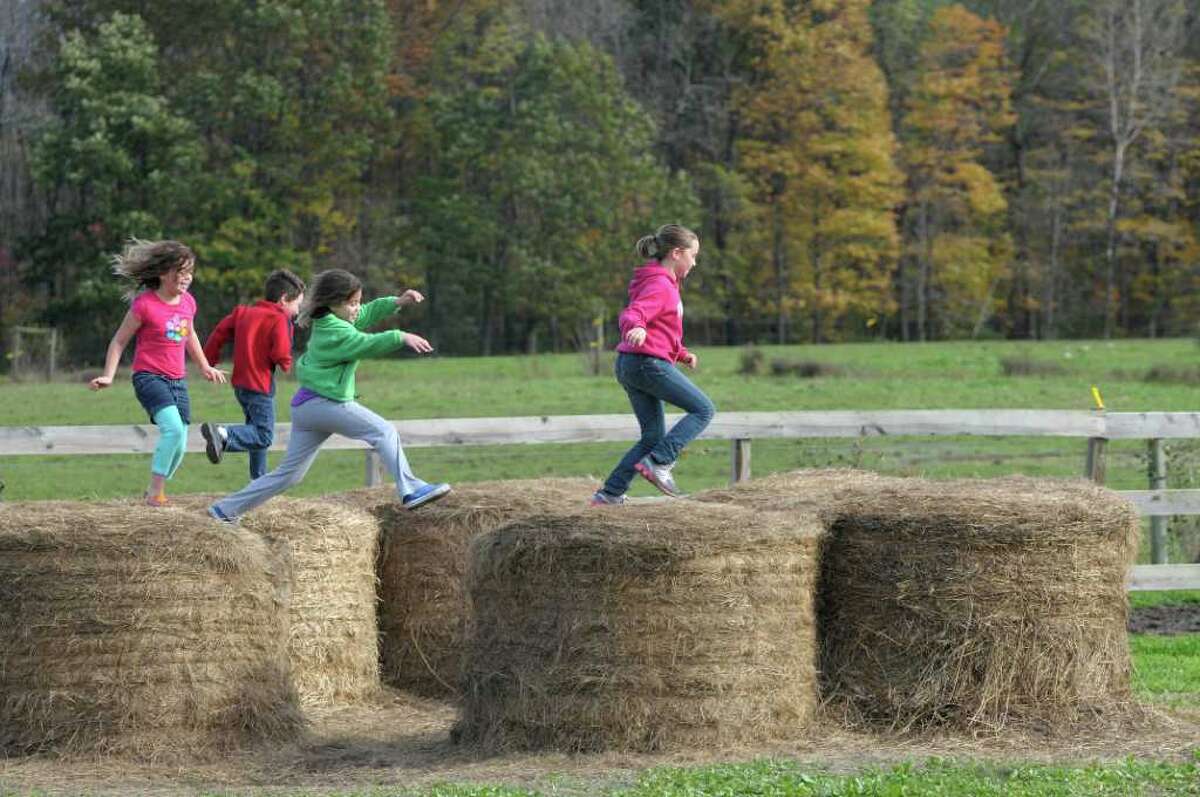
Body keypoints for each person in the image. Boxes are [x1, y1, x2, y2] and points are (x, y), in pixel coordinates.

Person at [207, 269, 450, 523]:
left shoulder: (333, 320)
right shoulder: (336, 331)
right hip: (325, 404)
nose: (357, 308)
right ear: (334, 303)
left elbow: (366, 314)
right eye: (353, 303)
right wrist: (400, 336)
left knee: (288, 475)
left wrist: (397, 302)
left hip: (307, 405)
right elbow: (364, 344)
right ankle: (410, 490)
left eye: (358, 301)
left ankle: (224, 510)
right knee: (384, 432)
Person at [88, 239, 227, 505]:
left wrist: (204, 365)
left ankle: (154, 490)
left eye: (190, 272)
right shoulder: (144, 305)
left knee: (181, 443)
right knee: (173, 430)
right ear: (163, 273)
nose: (186, 278)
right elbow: (118, 341)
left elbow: (190, 334)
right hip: (149, 377)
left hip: (177, 380)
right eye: (180, 272)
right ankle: (155, 494)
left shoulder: (188, 303)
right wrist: (108, 375)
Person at [591, 224, 715, 506]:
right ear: (676, 253)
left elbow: (663, 328)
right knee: (703, 409)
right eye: (693, 256)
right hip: (646, 362)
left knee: (652, 436)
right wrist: (636, 326)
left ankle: (609, 493)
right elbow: (633, 314)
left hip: (632, 363)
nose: (694, 263)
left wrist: (681, 353)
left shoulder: (663, 283)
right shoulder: (661, 284)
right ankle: (661, 463)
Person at [200, 269, 306, 480]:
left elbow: (219, 332)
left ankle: (258, 481)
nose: (296, 311)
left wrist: (208, 360)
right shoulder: (279, 319)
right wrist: (286, 362)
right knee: (264, 436)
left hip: (240, 385)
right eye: (297, 305)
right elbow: (280, 352)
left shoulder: (243, 313)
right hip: (260, 385)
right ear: (284, 299)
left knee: (254, 430)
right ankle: (222, 434)